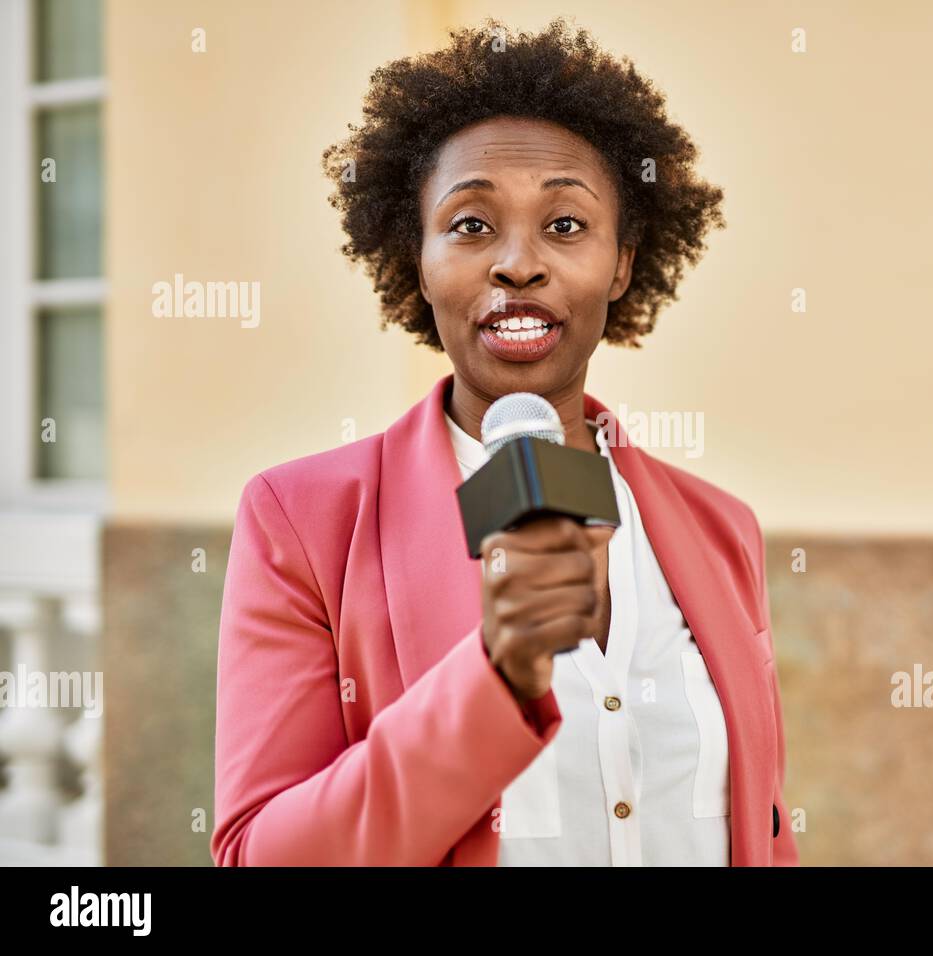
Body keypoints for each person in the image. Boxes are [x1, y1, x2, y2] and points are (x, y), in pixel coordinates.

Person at [211, 17, 797, 867]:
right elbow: (261, 855)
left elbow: (764, 829)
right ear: (418, 260)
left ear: (623, 264)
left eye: (565, 225)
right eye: (472, 225)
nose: (518, 263)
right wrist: (491, 678)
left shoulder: (721, 529)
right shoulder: (303, 522)